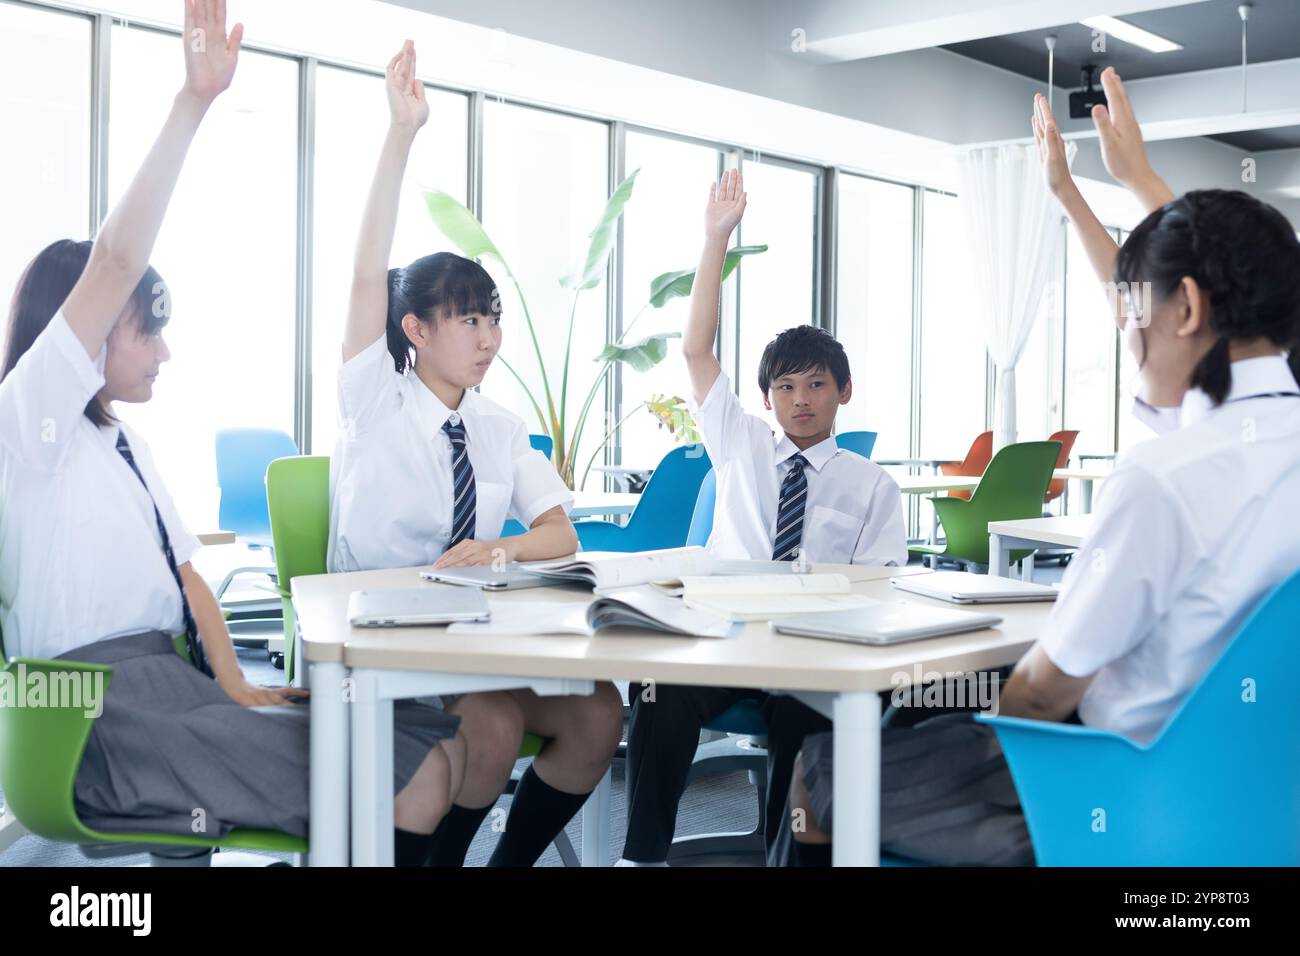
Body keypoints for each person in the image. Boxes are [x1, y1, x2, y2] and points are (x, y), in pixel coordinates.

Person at [788, 70, 1300, 865]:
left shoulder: (1166, 476)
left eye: (1137, 316)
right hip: (1262, 808)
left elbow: (1040, 696)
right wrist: (1096, 189)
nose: (1127, 335)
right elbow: (1182, 282)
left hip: (1118, 800)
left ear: (1189, 310)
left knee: (826, 767)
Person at [0, 1, 463, 864]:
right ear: (85, 334)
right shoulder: (29, 423)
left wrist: (236, 684)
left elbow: (189, 574)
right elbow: (115, 261)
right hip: (93, 713)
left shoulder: (123, 445)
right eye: (147, 329)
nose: (166, 350)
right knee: (414, 776)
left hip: (170, 685)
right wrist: (194, 101)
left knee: (435, 747)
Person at [327, 40, 623, 867]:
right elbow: (361, 278)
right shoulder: (373, 402)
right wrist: (401, 135)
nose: (489, 336)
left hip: (473, 637)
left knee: (600, 710)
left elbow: (561, 534)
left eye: (492, 318)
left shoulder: (496, 424)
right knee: (490, 723)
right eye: (468, 320)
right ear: (415, 331)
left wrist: (498, 549)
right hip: (379, 642)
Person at [618, 169, 909, 866]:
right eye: (784, 386)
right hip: (727, 639)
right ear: (766, 397)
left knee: (808, 721)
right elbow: (695, 350)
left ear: (844, 390)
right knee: (659, 691)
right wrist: (716, 238)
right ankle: (642, 855)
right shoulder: (740, 443)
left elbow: (881, 590)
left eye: (815, 384)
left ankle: (787, 857)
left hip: (812, 651)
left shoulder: (873, 486)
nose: (799, 399)